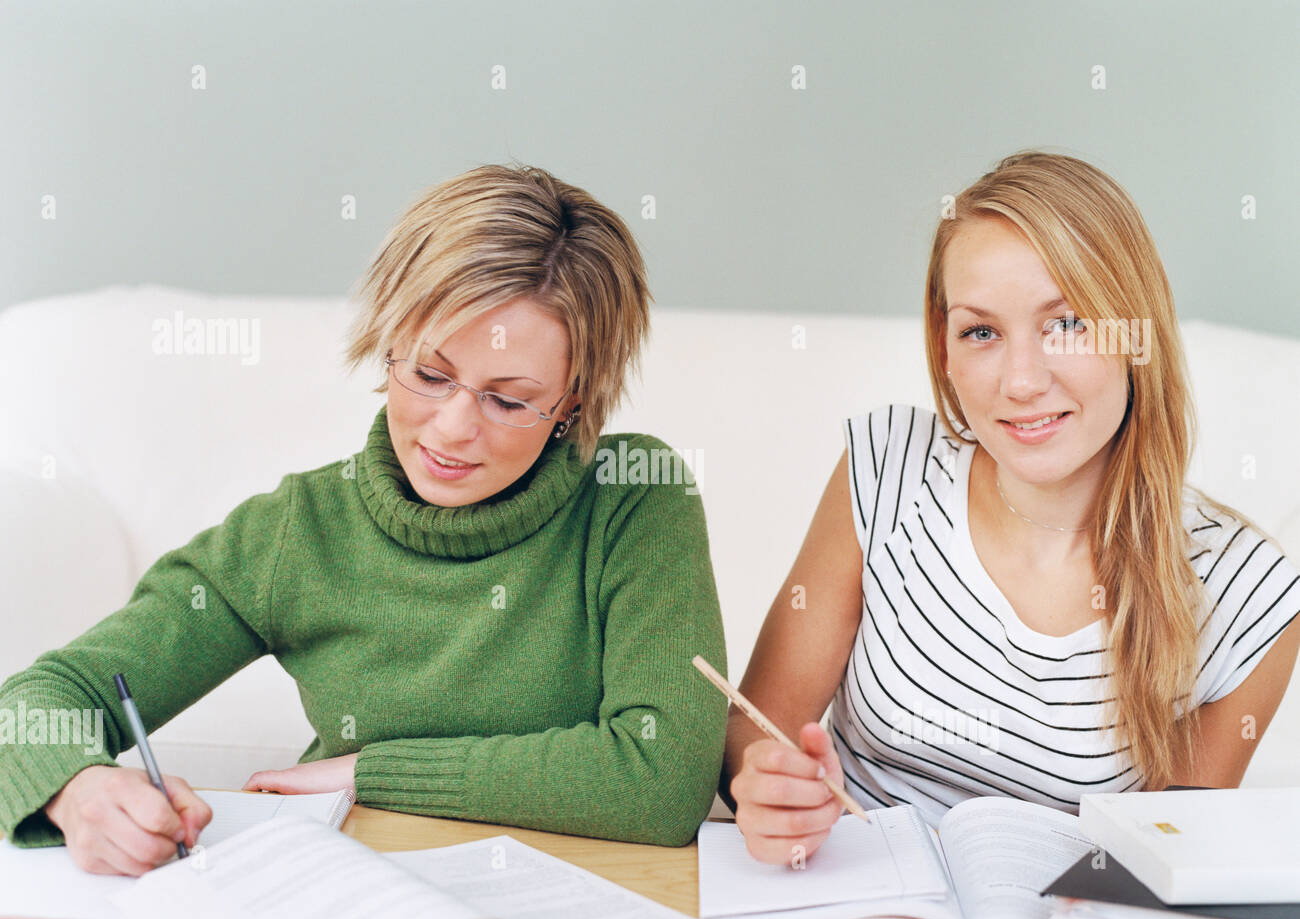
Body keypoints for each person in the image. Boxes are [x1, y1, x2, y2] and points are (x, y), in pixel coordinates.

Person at [0, 164, 728, 873]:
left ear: (573, 401)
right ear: (388, 342)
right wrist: (77, 788)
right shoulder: (297, 533)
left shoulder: (634, 495)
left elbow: (660, 780)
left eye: (508, 401)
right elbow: (36, 704)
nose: (450, 429)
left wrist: (374, 772)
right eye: (429, 373)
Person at [722, 150, 1300, 864]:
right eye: (981, 332)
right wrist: (767, 790)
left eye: (1066, 323)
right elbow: (751, 738)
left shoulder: (1250, 597)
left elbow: (1154, 880)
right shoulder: (885, 467)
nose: (1021, 381)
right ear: (945, 347)